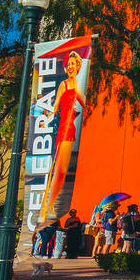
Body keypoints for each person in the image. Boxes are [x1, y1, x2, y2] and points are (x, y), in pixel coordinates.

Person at [39, 50, 88, 224]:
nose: (70, 67)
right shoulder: (64, 85)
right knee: (55, 168)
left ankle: (50, 204)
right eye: (69, 65)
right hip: (62, 128)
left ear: (78, 67)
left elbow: (86, 103)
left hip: (71, 129)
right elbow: (55, 106)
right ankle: (46, 207)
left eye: (74, 64)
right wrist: (46, 120)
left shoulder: (78, 87)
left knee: (61, 171)